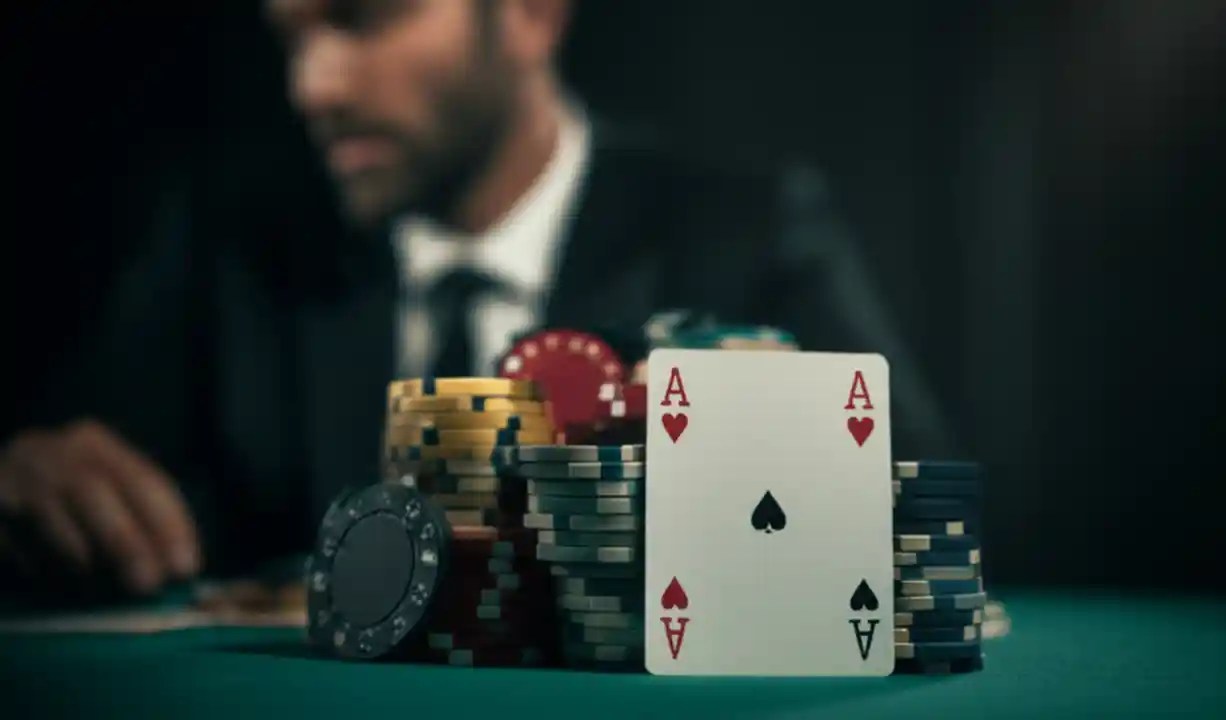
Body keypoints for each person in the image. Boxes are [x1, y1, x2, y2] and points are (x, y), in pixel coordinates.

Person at [0, 0, 953, 599]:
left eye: (362, 19)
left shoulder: (744, 231)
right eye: (289, 37)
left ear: (533, 13)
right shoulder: (229, 247)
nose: (313, 86)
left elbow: (922, 522)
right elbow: (79, 474)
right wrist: (33, 483)